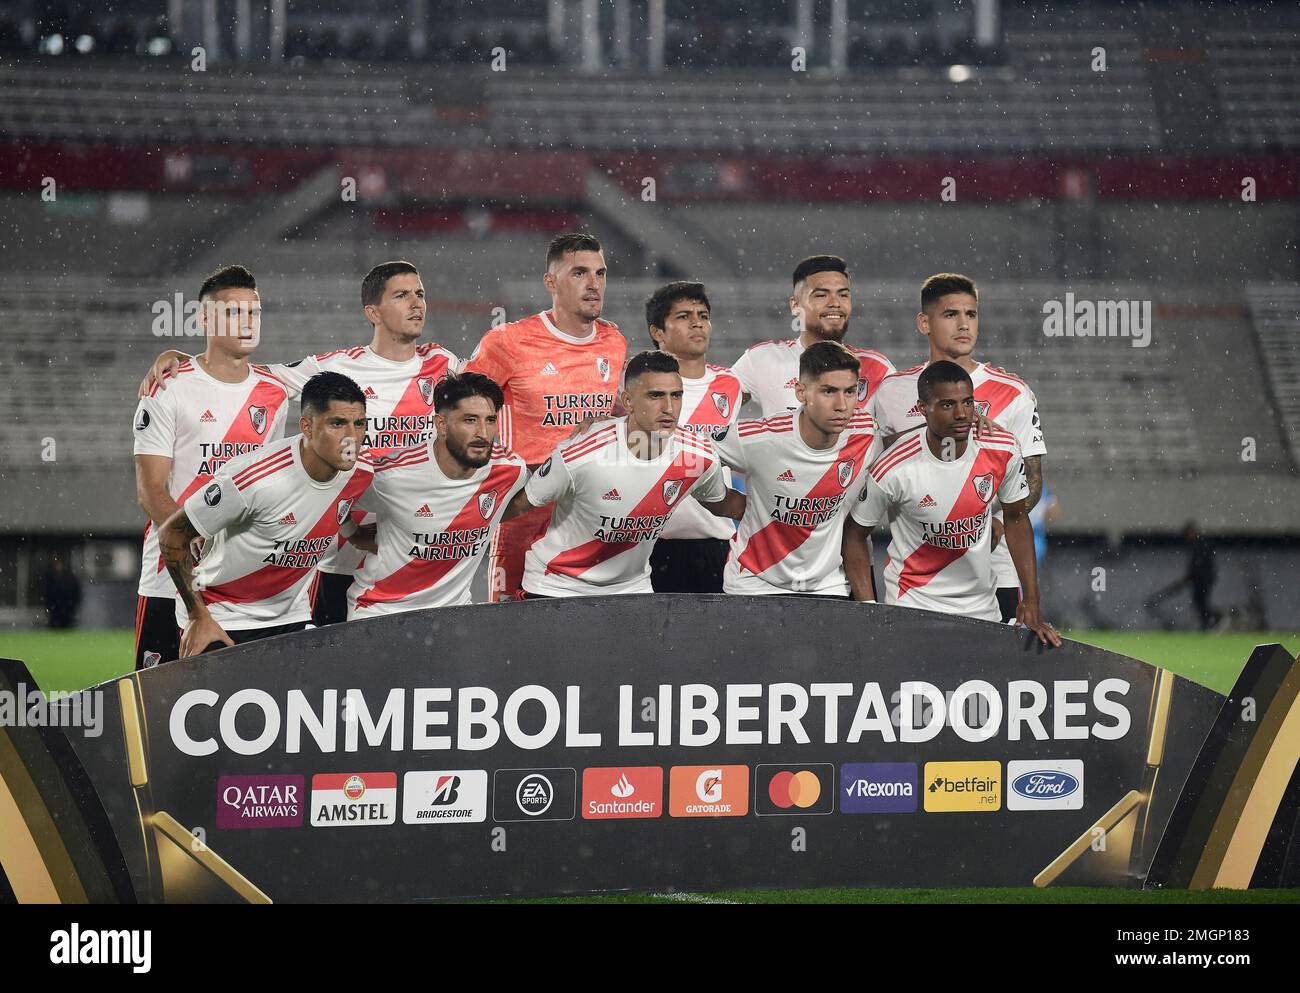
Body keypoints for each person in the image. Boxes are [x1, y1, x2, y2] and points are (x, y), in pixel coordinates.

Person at [138, 261, 459, 628]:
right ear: (372, 312)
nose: (417, 303)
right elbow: (245, 375)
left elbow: (489, 394)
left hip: (414, 548)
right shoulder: (337, 369)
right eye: (402, 295)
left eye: (420, 294)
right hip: (341, 552)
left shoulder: (444, 364)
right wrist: (184, 361)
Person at [132, 264, 290, 669]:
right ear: (204, 318)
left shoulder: (274, 395)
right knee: (157, 707)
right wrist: (189, 536)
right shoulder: (168, 387)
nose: (248, 322)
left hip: (237, 586)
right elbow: (150, 491)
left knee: (233, 711)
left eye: (254, 313)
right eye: (234, 313)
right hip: (168, 577)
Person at [869, 272, 1047, 621]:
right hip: (917, 575)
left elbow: (1034, 479)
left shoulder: (1013, 392)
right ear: (924, 322)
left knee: (990, 671)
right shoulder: (893, 391)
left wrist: (994, 520)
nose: (964, 324)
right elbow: (881, 473)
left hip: (994, 570)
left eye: (971, 314)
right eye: (951, 314)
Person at [157, 373, 373, 658]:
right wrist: (198, 615)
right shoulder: (254, 479)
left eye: (359, 424)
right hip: (222, 616)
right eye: (337, 423)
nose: (351, 438)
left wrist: (354, 534)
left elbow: (331, 505)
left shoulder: (361, 472)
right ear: (307, 427)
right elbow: (172, 533)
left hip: (291, 617)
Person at [844, 361, 1061, 646]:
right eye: (947, 405)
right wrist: (869, 610)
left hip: (983, 611)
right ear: (922, 409)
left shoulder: (1002, 449)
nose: (961, 414)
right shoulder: (893, 467)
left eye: (967, 403)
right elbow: (854, 535)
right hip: (912, 611)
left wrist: (1032, 600)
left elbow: (1017, 518)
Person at [463, 233, 629, 601]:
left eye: (600, 274)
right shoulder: (508, 341)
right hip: (524, 509)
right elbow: (462, 408)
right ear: (550, 282)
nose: (594, 284)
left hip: (591, 509)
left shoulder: (613, 342)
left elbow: (614, 412)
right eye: (580, 273)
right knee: (510, 632)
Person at [499, 350, 736, 598]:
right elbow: (517, 505)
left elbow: (725, 504)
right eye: (655, 396)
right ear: (628, 401)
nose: (669, 408)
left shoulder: (698, 455)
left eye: (676, 395)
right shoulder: (581, 453)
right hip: (557, 585)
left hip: (632, 590)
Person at [345, 373, 528, 617]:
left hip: (453, 616)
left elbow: (528, 499)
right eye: (470, 420)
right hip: (380, 611)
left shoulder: (510, 470)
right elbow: (333, 493)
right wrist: (353, 534)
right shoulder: (392, 476)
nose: (483, 433)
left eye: (490, 420)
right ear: (441, 424)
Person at [713, 341, 879, 597]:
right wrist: (723, 501)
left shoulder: (866, 433)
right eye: (828, 391)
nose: (842, 404)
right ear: (801, 392)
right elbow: (690, 457)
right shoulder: (759, 438)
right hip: (753, 584)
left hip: (827, 586)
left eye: (850, 391)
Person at [643, 281, 742, 593]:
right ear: (657, 332)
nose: (697, 322)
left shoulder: (731, 385)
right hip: (649, 542)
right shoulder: (637, 386)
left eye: (703, 315)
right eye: (684, 316)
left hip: (716, 541)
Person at [731, 255, 895, 417]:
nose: (835, 303)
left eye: (843, 295)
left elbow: (904, 438)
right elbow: (714, 407)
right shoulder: (763, 360)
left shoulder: (878, 369)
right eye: (821, 295)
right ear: (795, 305)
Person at [43, 556, 82, 630]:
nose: (58, 566)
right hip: (55, 611)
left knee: (67, 628)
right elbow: (47, 594)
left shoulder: (69, 578)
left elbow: (76, 593)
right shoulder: (50, 578)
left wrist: (71, 607)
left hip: (66, 610)